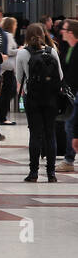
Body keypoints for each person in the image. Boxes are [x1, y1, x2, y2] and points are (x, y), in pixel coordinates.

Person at [16, 22, 62, 183]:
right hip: (51, 99)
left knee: (35, 135)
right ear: (44, 35)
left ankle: (33, 173)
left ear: (26, 36)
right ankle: (51, 173)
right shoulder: (52, 51)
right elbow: (60, 77)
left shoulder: (22, 54)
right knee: (50, 134)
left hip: (32, 98)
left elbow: (19, 78)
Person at [59, 19, 78, 173]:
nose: (61, 31)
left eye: (64, 29)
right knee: (70, 124)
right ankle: (69, 158)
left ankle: (69, 160)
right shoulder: (69, 48)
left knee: (70, 124)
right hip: (74, 93)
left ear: (71, 32)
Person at [0, 14, 19, 127]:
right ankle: (2, 117)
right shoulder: (8, 36)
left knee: (6, 92)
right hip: (7, 68)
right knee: (8, 92)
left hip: (5, 68)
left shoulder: (4, 35)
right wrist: (19, 50)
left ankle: (1, 116)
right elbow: (8, 51)